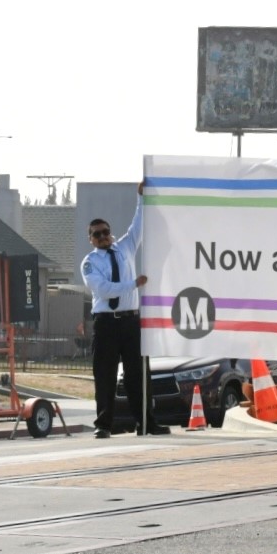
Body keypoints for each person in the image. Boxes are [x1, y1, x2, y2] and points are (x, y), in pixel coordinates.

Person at [80, 182, 169, 438]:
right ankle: (104, 425)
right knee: (105, 376)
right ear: (91, 239)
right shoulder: (90, 262)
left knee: (139, 375)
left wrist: (140, 197)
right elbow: (104, 289)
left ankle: (146, 422)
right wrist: (133, 284)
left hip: (131, 322)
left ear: (111, 232)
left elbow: (138, 224)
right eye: (97, 234)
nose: (103, 236)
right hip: (106, 323)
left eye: (105, 232)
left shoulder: (125, 246)